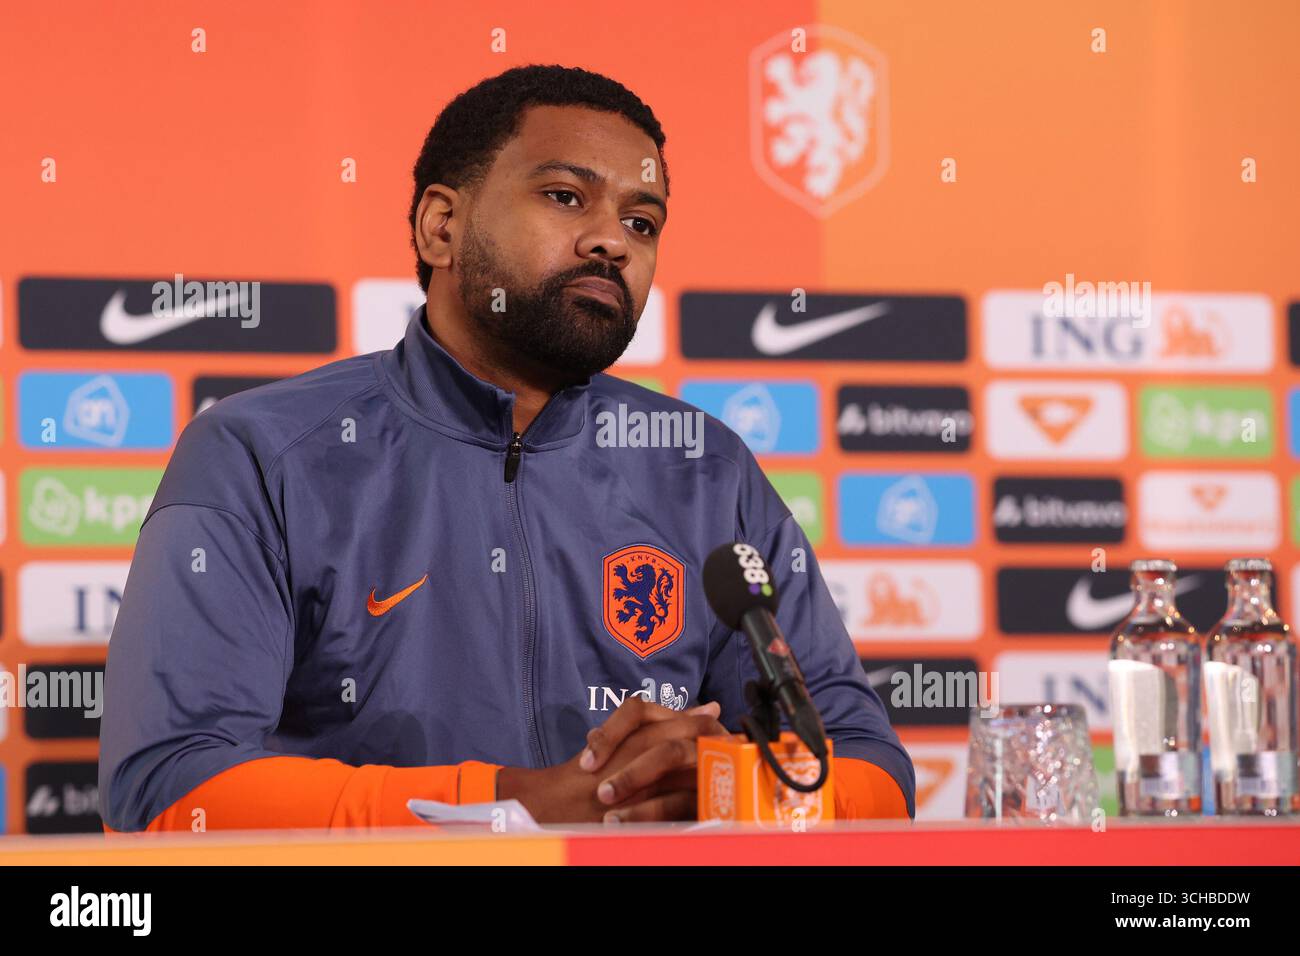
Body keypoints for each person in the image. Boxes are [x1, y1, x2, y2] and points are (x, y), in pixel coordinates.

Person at [99, 64, 914, 831]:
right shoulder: (261, 453)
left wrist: (725, 783)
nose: (612, 242)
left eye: (641, 222)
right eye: (566, 197)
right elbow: (167, 785)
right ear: (441, 226)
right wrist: (509, 807)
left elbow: (870, 771)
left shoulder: (706, 469)